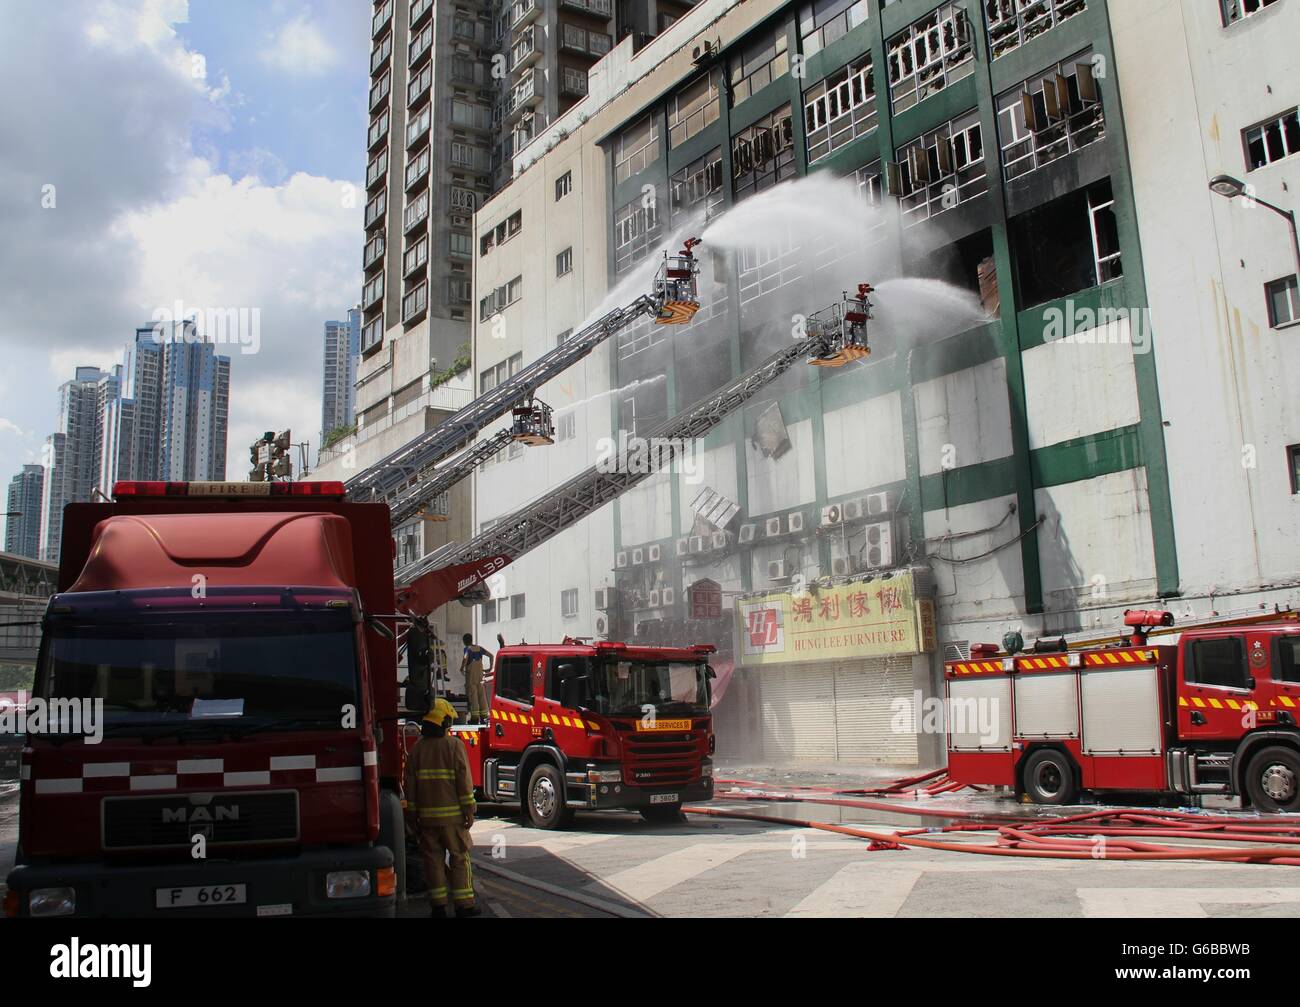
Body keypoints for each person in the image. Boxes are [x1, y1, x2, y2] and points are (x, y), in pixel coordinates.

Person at [403, 698, 479, 918]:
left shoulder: (417, 749)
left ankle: (438, 907)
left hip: (426, 820)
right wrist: (469, 809)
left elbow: (410, 785)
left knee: (433, 861)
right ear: (443, 721)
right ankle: (464, 905)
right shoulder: (453, 745)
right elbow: (463, 780)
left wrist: (413, 816)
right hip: (453, 819)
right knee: (459, 858)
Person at [460, 633, 493, 724]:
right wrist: (490, 668)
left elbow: (465, 658)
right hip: (480, 675)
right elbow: (491, 656)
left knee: (473, 696)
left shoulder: (467, 649)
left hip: (471, 676)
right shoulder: (479, 648)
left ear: (464, 641)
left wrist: (462, 667)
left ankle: (474, 718)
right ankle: (484, 717)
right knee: (481, 695)